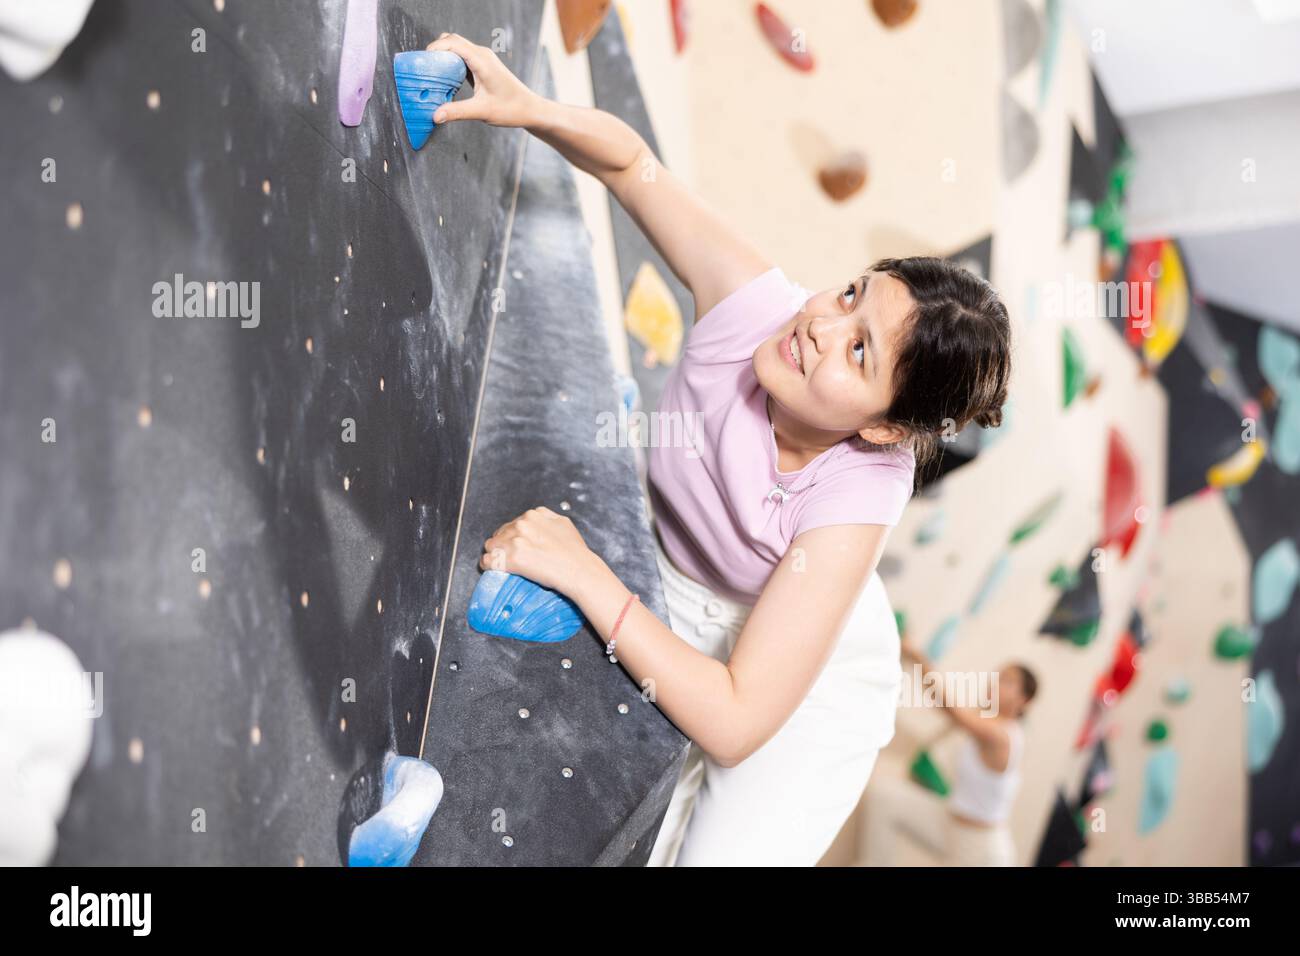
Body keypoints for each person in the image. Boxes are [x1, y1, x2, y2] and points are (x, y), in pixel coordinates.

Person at [425, 32, 1012, 865]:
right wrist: (530, 108)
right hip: (706, 584)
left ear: (883, 427)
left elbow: (736, 721)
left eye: (860, 352)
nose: (821, 324)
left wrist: (585, 570)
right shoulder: (756, 307)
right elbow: (634, 169)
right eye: (851, 294)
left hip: (810, 648)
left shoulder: (857, 500)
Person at [860, 645, 1037, 866]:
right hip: (949, 823)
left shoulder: (1004, 736)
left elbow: (950, 709)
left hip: (981, 851)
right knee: (884, 796)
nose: (995, 683)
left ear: (1024, 700)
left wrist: (917, 658)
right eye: (998, 676)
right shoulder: (984, 718)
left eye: (1007, 681)